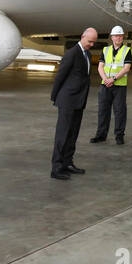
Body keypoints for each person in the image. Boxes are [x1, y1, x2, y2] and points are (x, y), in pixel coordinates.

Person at [50, 27, 96, 180]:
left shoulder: (87, 54)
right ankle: (56, 168)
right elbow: (60, 76)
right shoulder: (72, 53)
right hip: (67, 100)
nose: (91, 44)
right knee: (63, 134)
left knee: (73, 133)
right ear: (83, 37)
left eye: (93, 42)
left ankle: (67, 163)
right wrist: (54, 96)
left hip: (79, 101)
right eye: (90, 41)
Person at [90, 25, 131, 144]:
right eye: (115, 36)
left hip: (119, 86)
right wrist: (105, 79)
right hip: (105, 85)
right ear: (111, 37)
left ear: (122, 37)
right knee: (103, 110)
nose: (118, 38)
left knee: (120, 111)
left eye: (120, 36)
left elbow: (126, 68)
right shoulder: (105, 50)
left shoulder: (127, 50)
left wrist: (113, 79)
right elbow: (100, 66)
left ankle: (119, 136)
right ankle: (101, 135)